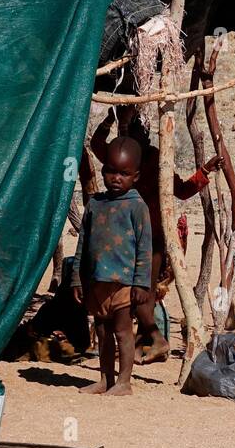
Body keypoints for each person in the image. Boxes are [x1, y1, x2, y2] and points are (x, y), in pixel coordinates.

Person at [90, 107, 220, 362]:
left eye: (140, 133)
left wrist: (204, 172)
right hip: (133, 238)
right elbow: (97, 146)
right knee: (142, 293)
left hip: (149, 238)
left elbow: (181, 190)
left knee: (141, 293)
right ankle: (143, 343)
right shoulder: (124, 157)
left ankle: (155, 339)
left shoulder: (151, 159)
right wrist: (108, 121)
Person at [72, 137, 152, 396]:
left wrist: (141, 283)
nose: (116, 178)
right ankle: (105, 379)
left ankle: (124, 382)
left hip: (123, 284)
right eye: (111, 171)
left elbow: (145, 247)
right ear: (103, 170)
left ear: (135, 176)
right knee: (102, 332)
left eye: (124, 174)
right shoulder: (94, 204)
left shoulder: (137, 206)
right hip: (97, 282)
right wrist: (77, 278)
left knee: (122, 331)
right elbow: (82, 243)